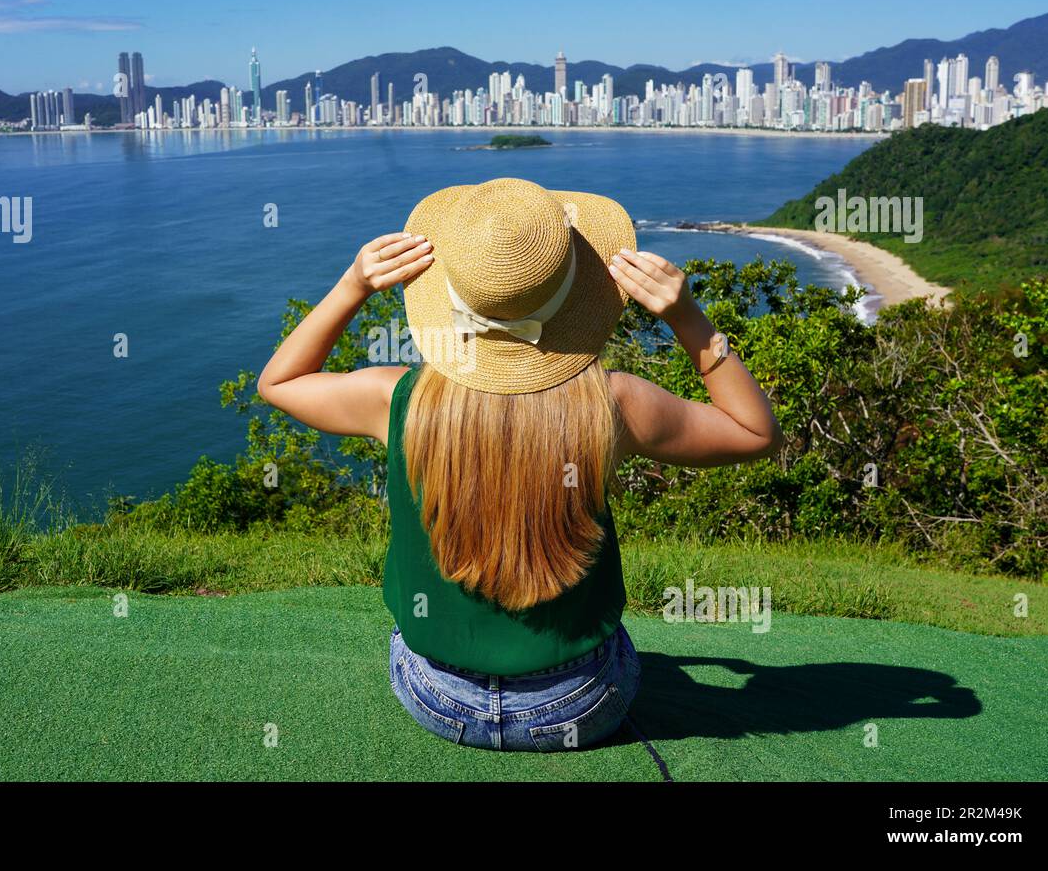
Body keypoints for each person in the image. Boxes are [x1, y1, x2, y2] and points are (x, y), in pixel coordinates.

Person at [258, 177, 782, 752]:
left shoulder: (395, 401)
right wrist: (688, 316)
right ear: (574, 292)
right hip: (582, 701)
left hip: (437, 697)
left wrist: (353, 285)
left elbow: (280, 381)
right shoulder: (615, 406)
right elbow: (755, 432)